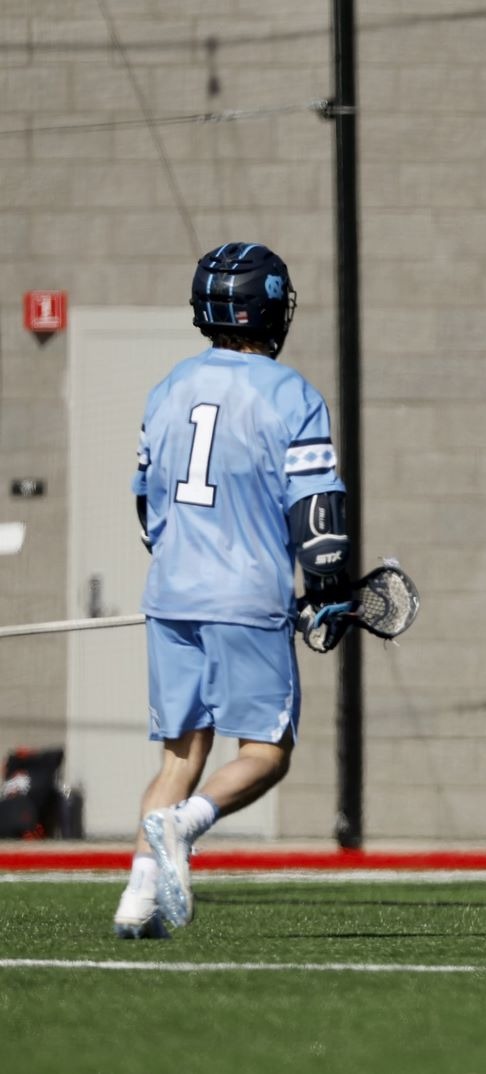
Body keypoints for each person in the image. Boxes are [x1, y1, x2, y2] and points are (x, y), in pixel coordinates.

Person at [114, 242, 352, 939]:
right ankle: (186, 826)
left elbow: (146, 508)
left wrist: (181, 566)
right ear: (270, 308)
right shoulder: (291, 395)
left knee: (178, 758)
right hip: (247, 596)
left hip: (170, 594)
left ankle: (137, 900)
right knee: (265, 753)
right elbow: (317, 514)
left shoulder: (168, 387)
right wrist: (327, 589)